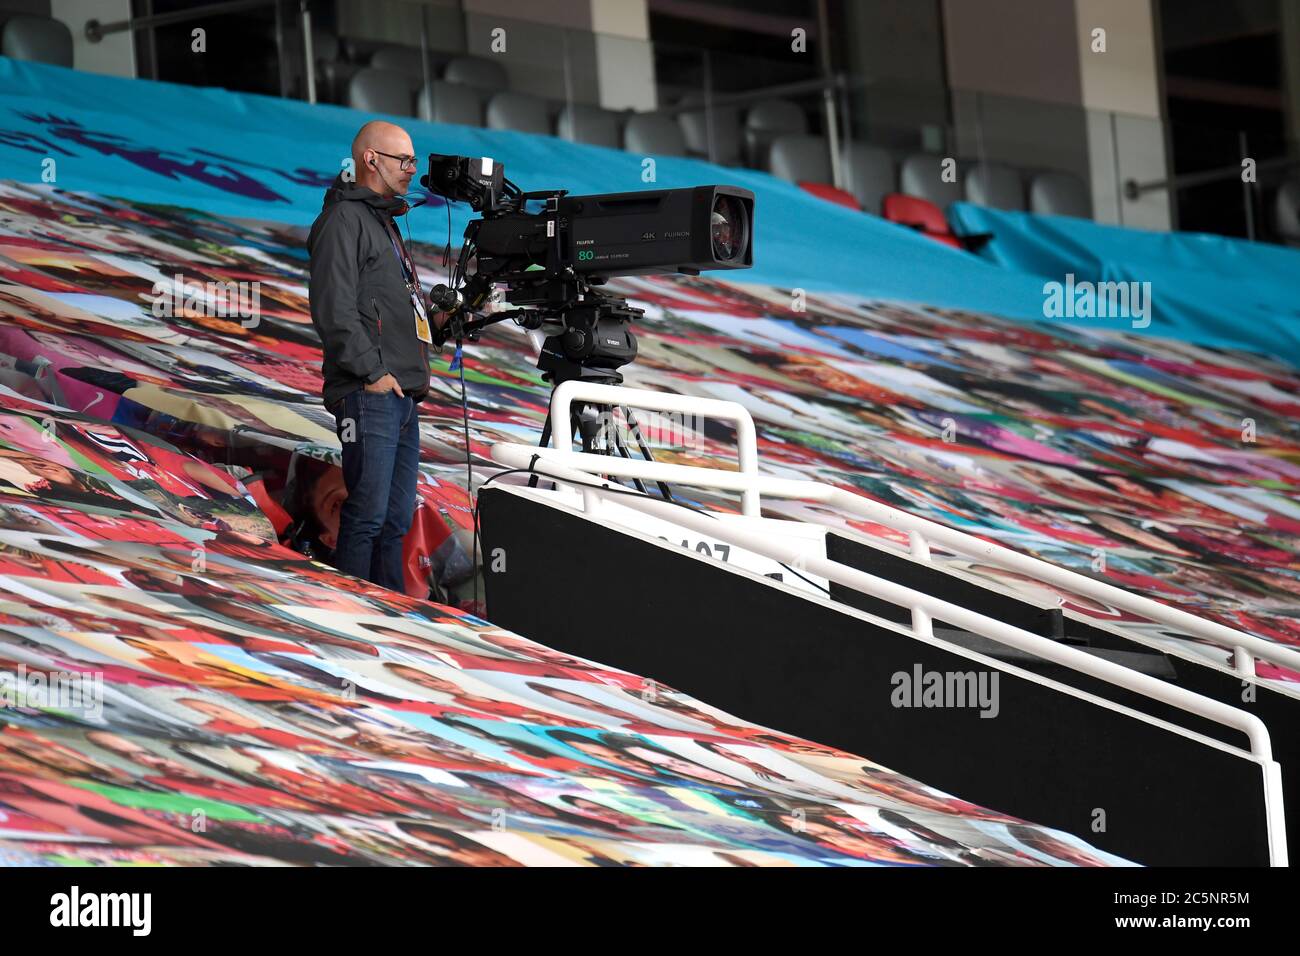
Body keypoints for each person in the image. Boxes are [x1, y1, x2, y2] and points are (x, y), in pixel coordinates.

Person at [307, 120, 448, 591]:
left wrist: (446, 319)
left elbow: (393, 311)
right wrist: (374, 374)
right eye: (403, 160)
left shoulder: (382, 221)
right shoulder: (343, 221)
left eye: (413, 160)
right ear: (371, 160)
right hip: (373, 393)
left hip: (401, 395)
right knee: (368, 516)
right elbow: (334, 309)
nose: (413, 170)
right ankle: (353, 611)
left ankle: (391, 618)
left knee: (393, 523)